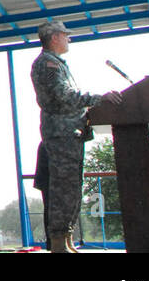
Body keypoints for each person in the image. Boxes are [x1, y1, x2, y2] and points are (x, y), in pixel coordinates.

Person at [30, 21, 121, 253]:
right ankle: (59, 241)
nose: (68, 39)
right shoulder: (47, 64)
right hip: (61, 134)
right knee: (62, 189)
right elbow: (63, 95)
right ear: (54, 38)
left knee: (72, 188)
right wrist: (98, 99)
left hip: (71, 134)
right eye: (65, 35)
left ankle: (66, 237)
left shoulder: (57, 64)